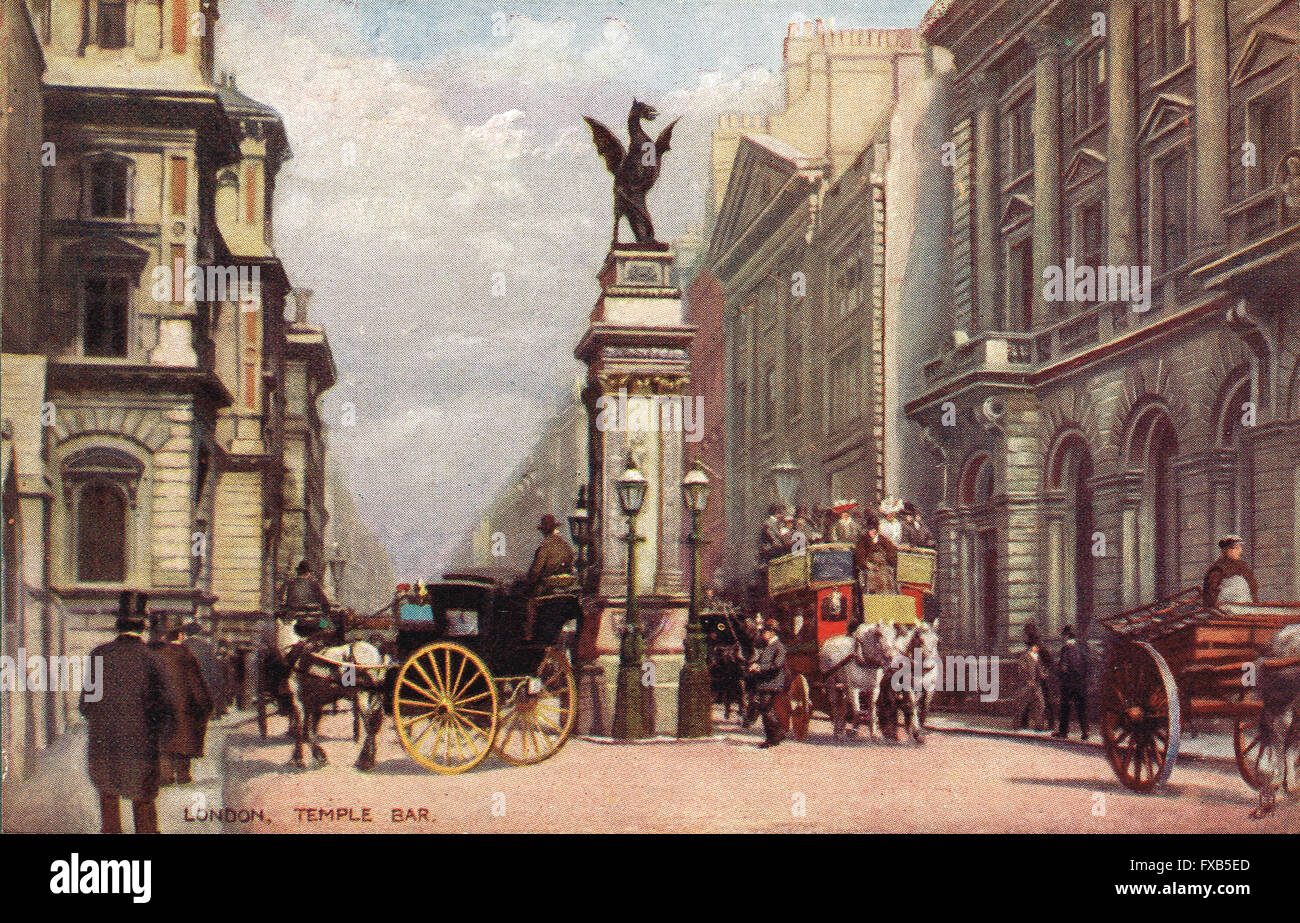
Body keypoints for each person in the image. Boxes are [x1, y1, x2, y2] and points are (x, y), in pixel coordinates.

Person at [80, 591, 181, 834]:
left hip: (105, 744)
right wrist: (161, 739)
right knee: (144, 801)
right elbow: (169, 708)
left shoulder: (99, 655)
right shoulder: (153, 659)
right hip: (142, 743)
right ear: (144, 625)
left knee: (108, 797)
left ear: (118, 623)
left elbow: (86, 705)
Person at [150, 617, 214, 786]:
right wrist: (206, 706)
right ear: (179, 635)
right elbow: (196, 687)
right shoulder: (185, 656)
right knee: (183, 742)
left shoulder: (151, 655)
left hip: (158, 714)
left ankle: (165, 776)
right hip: (183, 713)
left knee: (163, 746)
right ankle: (183, 775)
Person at [524, 515, 576, 641]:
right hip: (565, 587)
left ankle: (529, 635)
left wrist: (528, 582)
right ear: (554, 529)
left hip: (547, 588)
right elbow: (570, 567)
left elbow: (535, 571)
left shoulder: (544, 548)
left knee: (528, 602)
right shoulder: (566, 546)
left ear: (543, 531)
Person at [748, 618, 788, 748]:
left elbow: (777, 665)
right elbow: (762, 661)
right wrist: (755, 665)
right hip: (765, 682)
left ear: (771, 633)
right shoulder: (768, 647)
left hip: (772, 683)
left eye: (764, 632)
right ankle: (773, 737)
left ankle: (777, 734)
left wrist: (759, 668)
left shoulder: (779, 647)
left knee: (766, 709)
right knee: (766, 709)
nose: (762, 634)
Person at [1202, 535, 1259, 608]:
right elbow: (1210, 593)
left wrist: (1256, 605)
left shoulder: (1244, 567)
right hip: (1226, 610)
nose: (1240, 551)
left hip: (1247, 607)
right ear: (1225, 550)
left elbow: (1253, 589)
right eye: (1235, 548)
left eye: (1240, 548)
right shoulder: (1218, 568)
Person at [1053, 625, 1089, 740]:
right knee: (1081, 708)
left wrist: (1059, 674)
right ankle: (1085, 731)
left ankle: (1063, 732)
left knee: (1065, 707)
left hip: (1068, 683)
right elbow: (1088, 664)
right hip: (1081, 682)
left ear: (1067, 636)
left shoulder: (1066, 648)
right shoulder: (1082, 648)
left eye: (1064, 636)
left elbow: (1063, 666)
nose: (1063, 638)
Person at [282, 560, 330, 636]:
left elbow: (289, 605)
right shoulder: (314, 584)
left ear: (298, 572)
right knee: (327, 623)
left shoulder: (292, 585)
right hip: (316, 627)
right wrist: (324, 623)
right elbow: (326, 605)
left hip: (299, 628)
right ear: (308, 573)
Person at [854, 515, 899, 595]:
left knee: (888, 578)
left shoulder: (882, 539)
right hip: (869, 567)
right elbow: (859, 555)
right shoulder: (863, 540)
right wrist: (866, 564)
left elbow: (891, 550)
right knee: (872, 579)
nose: (873, 532)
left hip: (882, 567)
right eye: (870, 530)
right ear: (868, 530)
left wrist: (889, 561)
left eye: (875, 530)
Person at [1016, 642, 1050, 732]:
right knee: (1022, 705)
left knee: (1040, 704)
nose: (1037, 648)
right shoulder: (1024, 658)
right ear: (1031, 647)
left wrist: (1043, 675)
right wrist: (1027, 681)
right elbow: (1021, 671)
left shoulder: (1037, 657)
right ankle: (1017, 725)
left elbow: (1040, 670)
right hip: (1026, 686)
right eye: (1036, 646)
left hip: (1036, 685)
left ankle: (1039, 726)